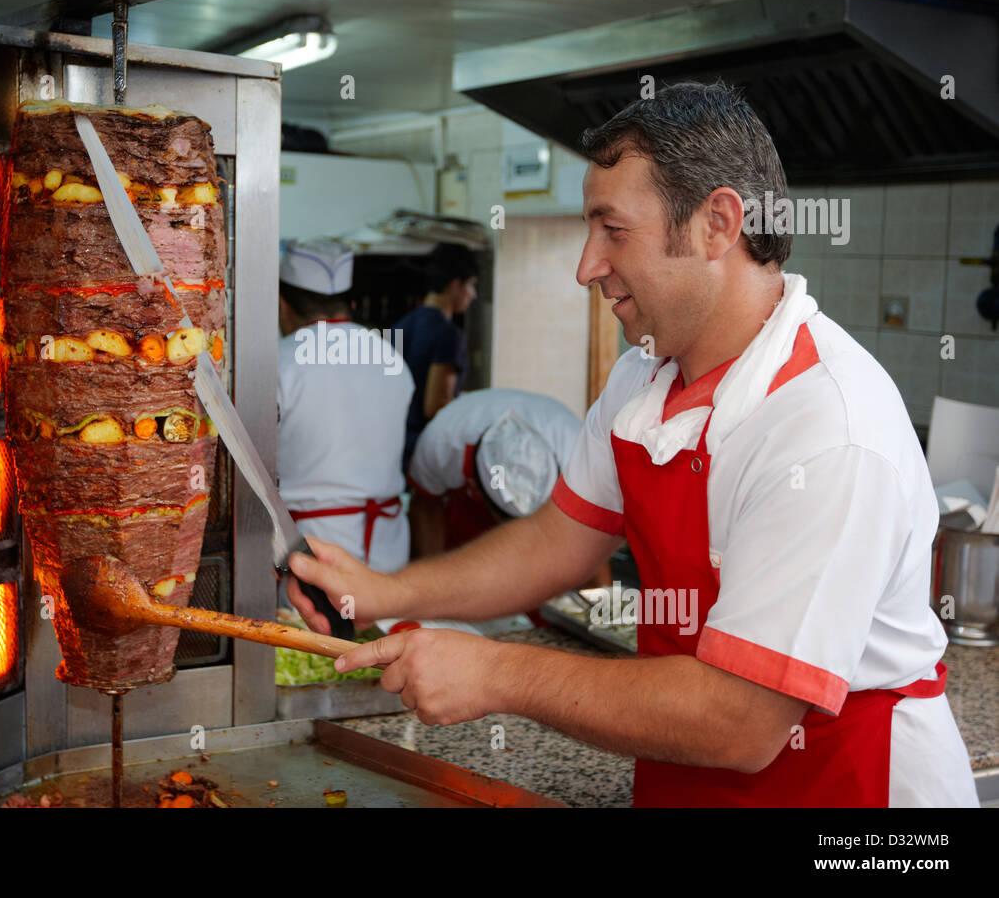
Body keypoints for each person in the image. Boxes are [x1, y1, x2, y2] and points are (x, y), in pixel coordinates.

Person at [284, 82, 977, 807]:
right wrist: (383, 592)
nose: (586, 266)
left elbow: (742, 722)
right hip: (687, 775)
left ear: (717, 224)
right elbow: (560, 540)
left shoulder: (825, 427)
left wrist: (496, 674)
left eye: (612, 230)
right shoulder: (643, 377)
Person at [276, 239, 414, 574]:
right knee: (389, 627)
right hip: (388, 544)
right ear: (349, 302)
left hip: (315, 549)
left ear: (283, 305)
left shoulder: (279, 361)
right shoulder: (390, 356)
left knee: (307, 627)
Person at [408, 389, 582, 558]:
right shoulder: (441, 442)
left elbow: (587, 543)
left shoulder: (579, 458)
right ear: (476, 485)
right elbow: (426, 509)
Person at [393, 243, 479, 471]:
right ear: (455, 284)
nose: (473, 295)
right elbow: (435, 405)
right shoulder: (448, 334)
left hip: (393, 447)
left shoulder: (402, 326)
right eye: (471, 285)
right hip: (423, 453)